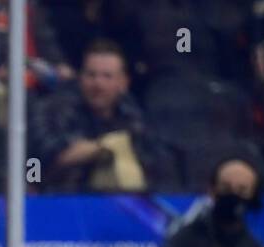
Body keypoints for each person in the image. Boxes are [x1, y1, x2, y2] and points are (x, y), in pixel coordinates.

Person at [30, 38, 177, 192]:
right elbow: (48, 158)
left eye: (107, 76)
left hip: (124, 206)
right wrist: (102, 147)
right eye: (91, 75)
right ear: (81, 78)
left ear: (123, 83)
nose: (98, 84)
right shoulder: (55, 108)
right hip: (61, 203)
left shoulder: (132, 114)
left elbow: (156, 162)